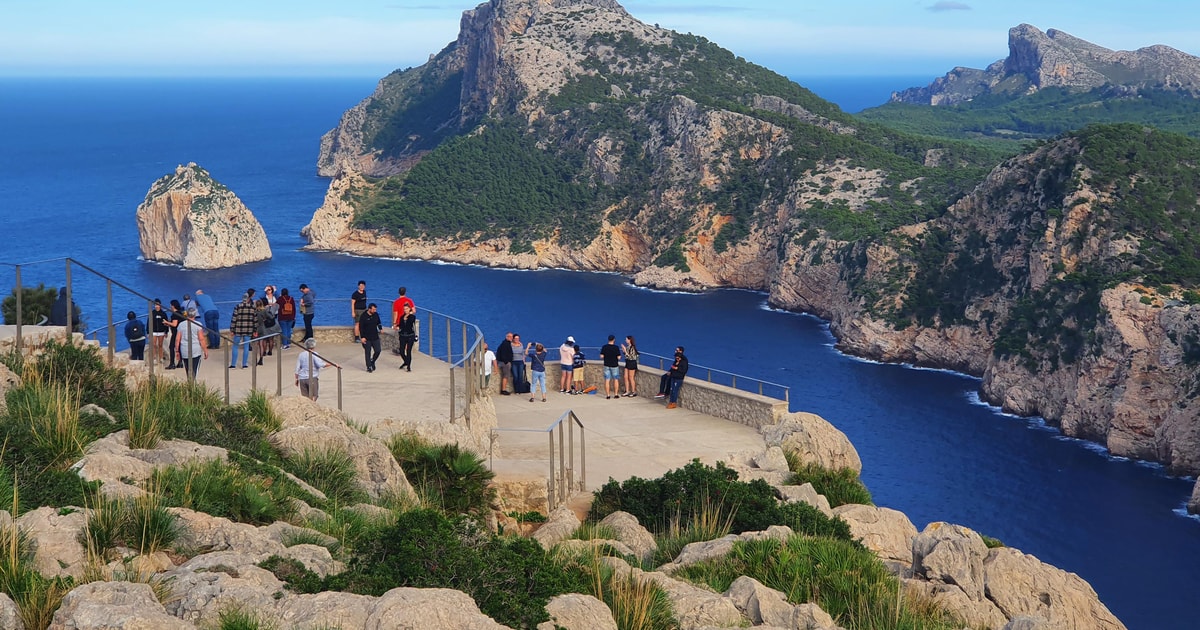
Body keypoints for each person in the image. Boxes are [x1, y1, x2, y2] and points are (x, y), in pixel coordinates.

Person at [174, 307, 208, 378]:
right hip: (195, 350)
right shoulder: (198, 325)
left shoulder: (181, 325)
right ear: (194, 315)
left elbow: (177, 339)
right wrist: (205, 350)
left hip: (184, 350)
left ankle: (190, 384)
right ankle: (192, 386)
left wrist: (177, 351)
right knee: (194, 371)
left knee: (188, 371)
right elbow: (201, 339)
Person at [230, 292, 257, 369]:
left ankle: (233, 364)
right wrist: (255, 330)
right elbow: (255, 320)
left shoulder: (238, 307)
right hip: (248, 329)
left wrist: (232, 329)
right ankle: (244, 364)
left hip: (238, 329)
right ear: (248, 299)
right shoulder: (252, 308)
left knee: (235, 346)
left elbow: (234, 318)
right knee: (246, 346)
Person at [356, 302, 383, 372]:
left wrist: (380, 328)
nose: (375, 311)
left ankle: (372, 360)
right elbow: (361, 327)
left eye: (375, 309)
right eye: (373, 309)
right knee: (367, 352)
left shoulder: (376, 315)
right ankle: (369, 366)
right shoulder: (363, 316)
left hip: (375, 336)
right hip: (366, 337)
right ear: (369, 309)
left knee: (378, 350)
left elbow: (378, 322)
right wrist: (362, 337)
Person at [395, 303, 418, 371]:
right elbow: (401, 325)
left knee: (408, 351)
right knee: (401, 351)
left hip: (410, 335)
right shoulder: (402, 317)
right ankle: (406, 361)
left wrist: (409, 315)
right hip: (403, 335)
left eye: (406, 309)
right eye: (404, 309)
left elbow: (411, 322)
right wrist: (397, 327)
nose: (405, 310)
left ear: (409, 309)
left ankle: (408, 366)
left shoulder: (412, 317)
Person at [600, 334, 621, 399]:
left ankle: (608, 395)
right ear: (614, 340)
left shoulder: (604, 347)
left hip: (606, 365)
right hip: (614, 365)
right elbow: (619, 357)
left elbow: (601, 356)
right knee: (616, 379)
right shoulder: (616, 348)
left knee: (607, 380)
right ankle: (616, 394)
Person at [150, 298, 169, 364]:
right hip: (154, 331)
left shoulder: (163, 314)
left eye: (158, 305)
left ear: (160, 305)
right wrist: (148, 332)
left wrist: (166, 331)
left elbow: (166, 323)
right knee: (154, 344)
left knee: (160, 345)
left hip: (161, 331)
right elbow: (148, 322)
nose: (157, 306)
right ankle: (154, 358)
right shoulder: (152, 313)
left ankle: (161, 358)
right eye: (155, 305)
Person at [166, 299, 183, 369]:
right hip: (180, 332)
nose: (170, 307)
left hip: (175, 333)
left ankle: (172, 363)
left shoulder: (175, 315)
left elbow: (174, 324)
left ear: (173, 306)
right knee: (179, 347)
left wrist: (167, 322)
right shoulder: (180, 313)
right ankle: (180, 362)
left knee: (171, 347)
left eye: (171, 305)